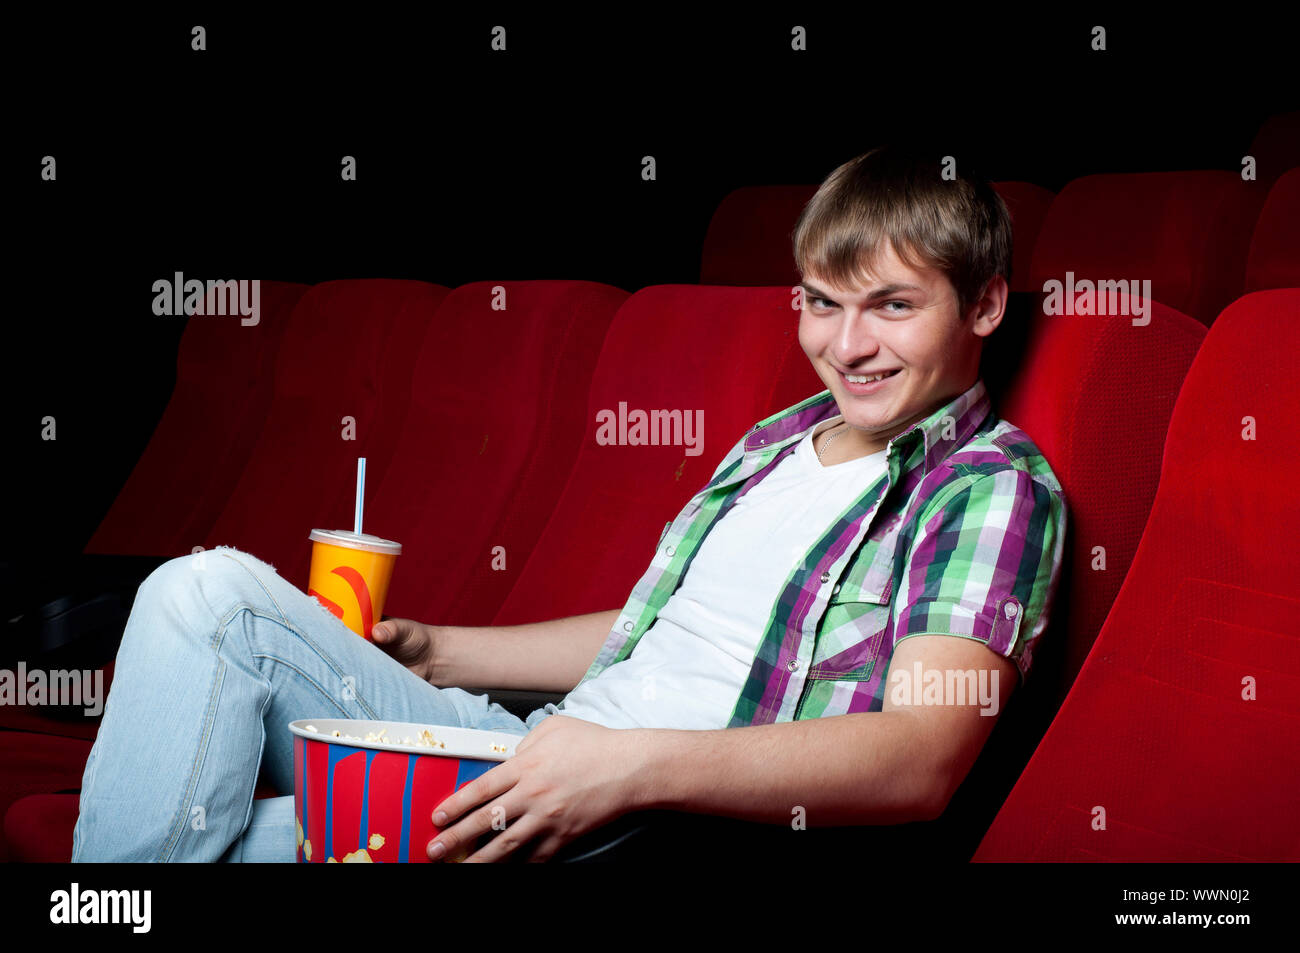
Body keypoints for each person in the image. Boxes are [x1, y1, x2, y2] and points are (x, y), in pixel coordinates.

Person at [72, 144, 1067, 863]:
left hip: (648, 815)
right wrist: (446, 649)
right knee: (206, 594)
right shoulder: (778, 439)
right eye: (819, 300)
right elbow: (661, 629)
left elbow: (919, 756)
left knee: (241, 838)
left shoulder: (987, 485)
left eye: (892, 305)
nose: (845, 345)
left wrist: (628, 768)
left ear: (982, 304)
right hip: (542, 745)